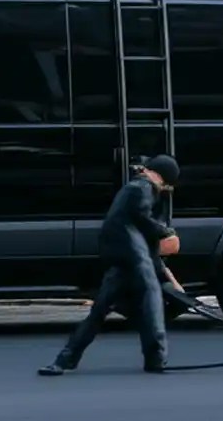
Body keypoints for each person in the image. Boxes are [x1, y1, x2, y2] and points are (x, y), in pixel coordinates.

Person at [38, 154, 182, 375]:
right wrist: (166, 231)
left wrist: (170, 278)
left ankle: (64, 360)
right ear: (160, 177)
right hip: (134, 257)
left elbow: (145, 238)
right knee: (151, 303)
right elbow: (142, 218)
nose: (163, 189)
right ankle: (156, 359)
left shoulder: (131, 188)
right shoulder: (142, 188)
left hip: (121, 259)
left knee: (98, 312)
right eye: (165, 184)